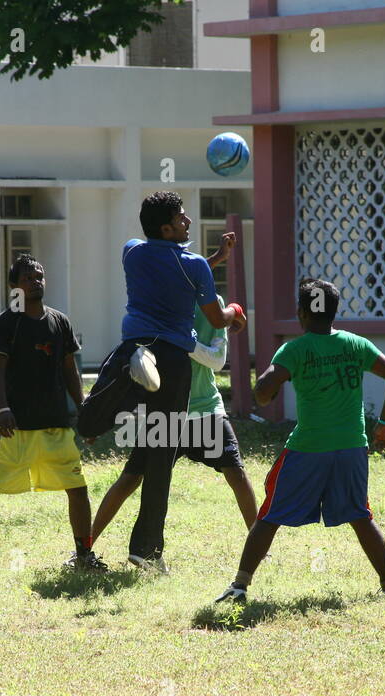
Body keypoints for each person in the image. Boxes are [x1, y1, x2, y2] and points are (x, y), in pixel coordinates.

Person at [76, 191, 246, 572]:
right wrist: (234, 310)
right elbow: (216, 319)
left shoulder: (132, 251)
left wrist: (213, 259)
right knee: (160, 462)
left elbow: (174, 270)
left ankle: (106, 404)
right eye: (183, 219)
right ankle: (147, 551)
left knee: (91, 421)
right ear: (168, 227)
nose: (188, 222)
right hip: (172, 363)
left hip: (134, 346)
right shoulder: (194, 266)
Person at [215, 278, 385, 604]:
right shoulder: (355, 344)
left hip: (308, 449)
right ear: (334, 311)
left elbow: (265, 387)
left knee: (270, 515)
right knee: (360, 516)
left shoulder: (295, 349)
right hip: (351, 448)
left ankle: (240, 586)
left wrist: (265, 389)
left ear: (302, 313)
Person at [0, 255, 105, 570]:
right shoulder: (6, 323)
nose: (36, 282)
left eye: (40, 276)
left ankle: (84, 555)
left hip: (56, 428)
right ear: (14, 287)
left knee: (78, 491)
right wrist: (3, 408)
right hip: (16, 428)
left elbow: (69, 371)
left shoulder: (59, 321)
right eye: (28, 278)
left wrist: (84, 412)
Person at [91, 299, 256, 545]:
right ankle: (85, 547)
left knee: (236, 473)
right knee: (130, 478)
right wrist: (96, 418)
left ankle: (259, 545)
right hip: (165, 411)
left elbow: (217, 360)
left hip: (205, 408)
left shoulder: (212, 305)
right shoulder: (156, 305)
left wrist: (184, 340)